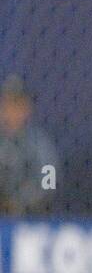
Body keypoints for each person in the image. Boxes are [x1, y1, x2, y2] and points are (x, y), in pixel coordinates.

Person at [0, 76, 58, 216]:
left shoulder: (40, 144)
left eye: (18, 105)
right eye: (8, 104)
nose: (12, 111)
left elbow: (49, 184)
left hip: (27, 217)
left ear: (27, 108)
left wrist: (18, 201)